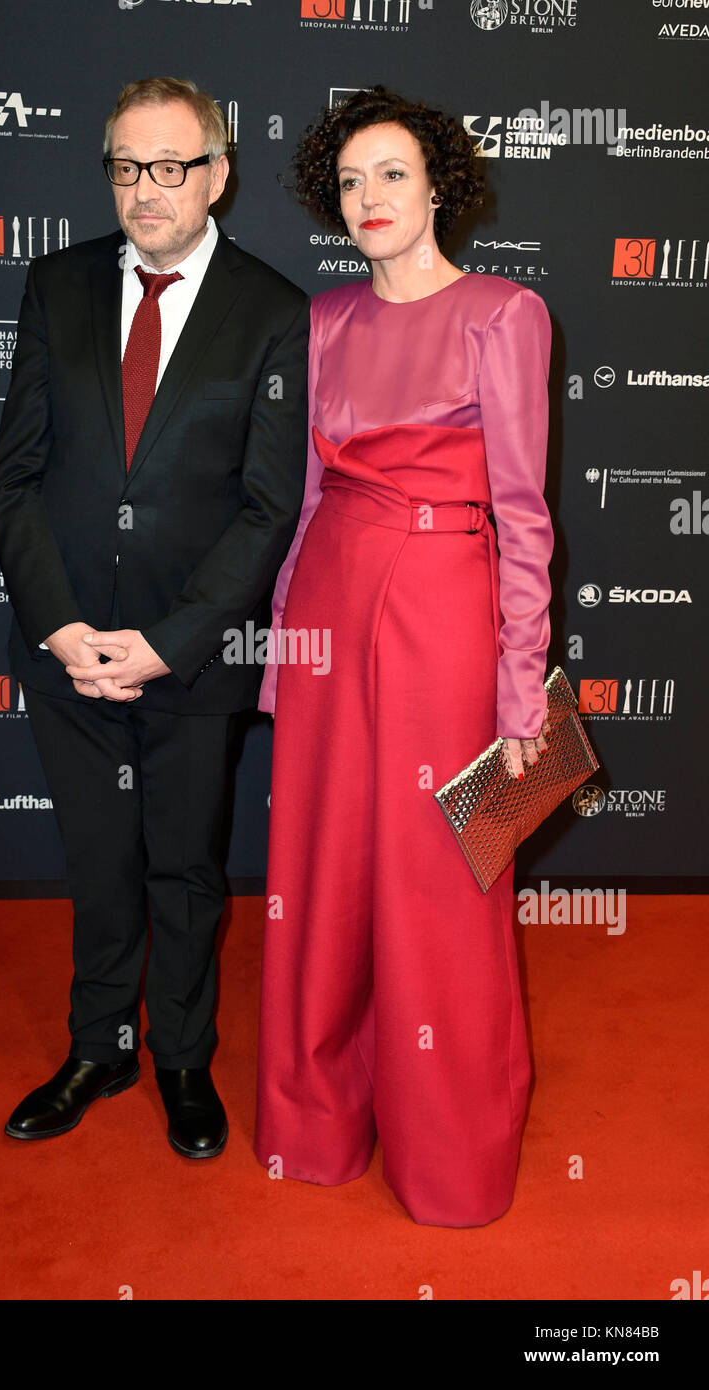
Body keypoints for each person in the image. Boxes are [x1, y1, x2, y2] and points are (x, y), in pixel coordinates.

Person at [0, 77, 308, 1159]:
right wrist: (59, 625)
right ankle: (98, 1045)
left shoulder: (271, 310)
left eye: (172, 166)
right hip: (70, 646)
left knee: (182, 864)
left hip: (190, 656)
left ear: (217, 173)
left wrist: (171, 644)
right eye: (127, 165)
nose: (147, 190)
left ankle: (179, 1053)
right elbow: (15, 479)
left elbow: (270, 507)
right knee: (98, 858)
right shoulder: (56, 283)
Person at [254, 87, 554, 1226]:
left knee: (444, 878)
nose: (370, 199)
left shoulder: (505, 313)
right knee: (322, 872)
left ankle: (451, 1151)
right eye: (351, 182)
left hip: (447, 610)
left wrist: (520, 680)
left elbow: (524, 514)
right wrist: (285, 650)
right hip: (333, 594)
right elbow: (307, 500)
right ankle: (317, 1122)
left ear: (439, 186)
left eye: (392, 174)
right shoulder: (322, 321)